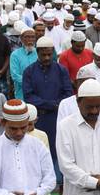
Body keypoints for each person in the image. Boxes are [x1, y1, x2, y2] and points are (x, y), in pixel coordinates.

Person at [23, 36, 74, 181]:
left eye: (49, 54)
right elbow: (29, 96)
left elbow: (68, 93)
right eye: (43, 54)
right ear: (37, 53)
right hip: (39, 118)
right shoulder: (29, 71)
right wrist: (50, 104)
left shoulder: (61, 70)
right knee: (40, 148)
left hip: (58, 117)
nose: (46, 57)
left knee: (59, 147)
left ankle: (58, 181)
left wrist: (54, 105)